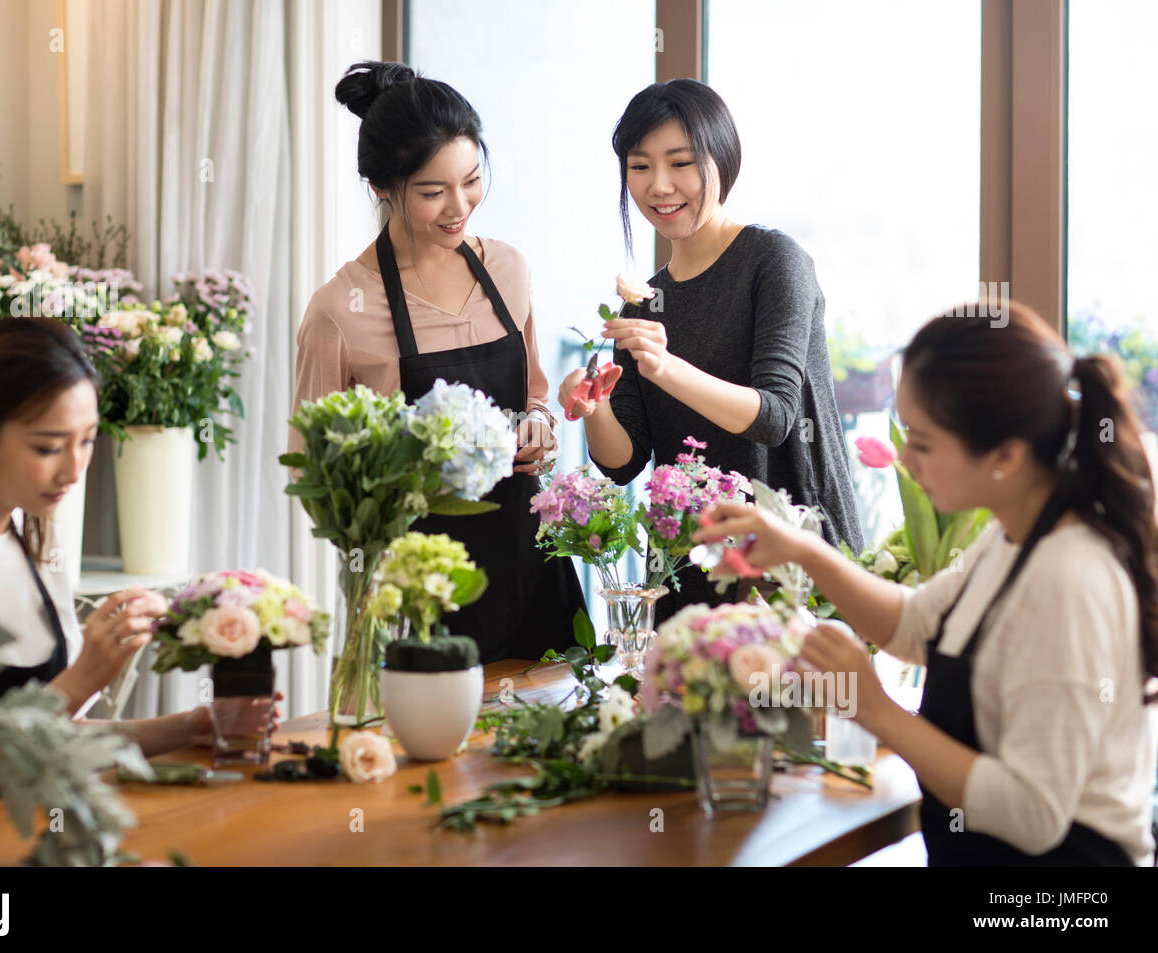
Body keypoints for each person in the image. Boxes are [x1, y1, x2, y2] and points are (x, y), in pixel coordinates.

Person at [695, 302, 1158, 865]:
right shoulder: (1015, 533)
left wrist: (877, 708)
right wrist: (802, 550)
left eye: (924, 442)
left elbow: (1034, 815)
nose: (907, 462)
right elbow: (915, 625)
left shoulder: (1068, 579)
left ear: (1005, 456)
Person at [289, 60, 586, 663]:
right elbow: (311, 473)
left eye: (472, 181)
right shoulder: (340, 310)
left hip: (534, 563)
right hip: (424, 591)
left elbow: (534, 394)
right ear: (380, 187)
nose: (460, 207)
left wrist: (539, 427)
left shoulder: (508, 270)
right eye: (432, 192)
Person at [563, 79, 862, 624]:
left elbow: (774, 416)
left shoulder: (774, 261)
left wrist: (665, 367)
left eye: (681, 163)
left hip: (790, 565)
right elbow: (623, 462)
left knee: (799, 707)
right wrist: (595, 405)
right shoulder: (641, 305)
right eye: (639, 166)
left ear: (722, 159)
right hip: (688, 573)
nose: (659, 185)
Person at [0, 318, 214, 757]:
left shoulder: (37, 541)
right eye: (48, 447)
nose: (74, 470)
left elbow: (59, 734)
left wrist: (196, 728)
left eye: (86, 441)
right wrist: (84, 675)